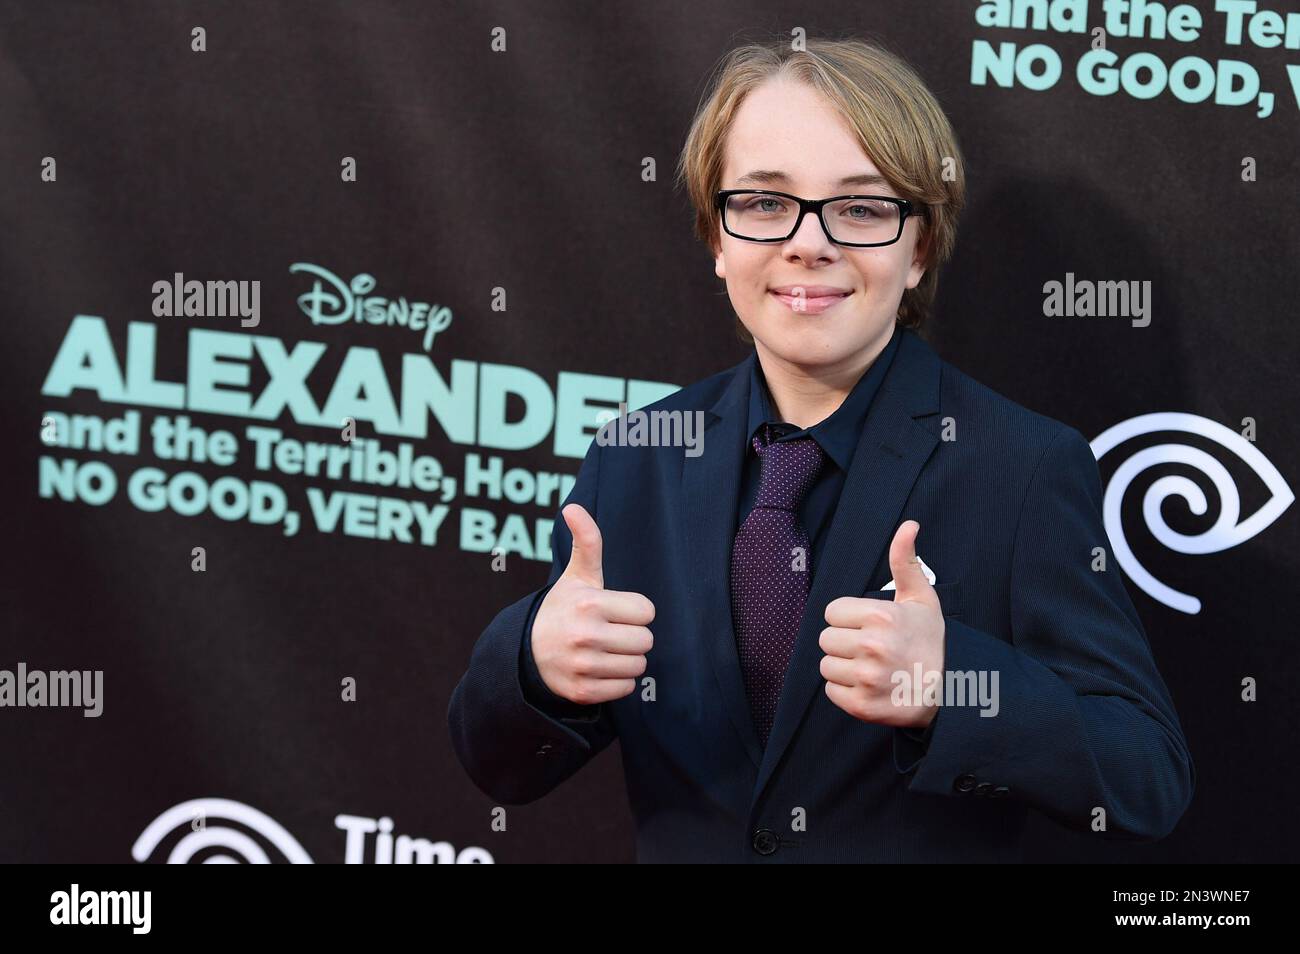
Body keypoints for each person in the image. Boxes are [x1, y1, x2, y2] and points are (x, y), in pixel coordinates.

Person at [447, 35, 1194, 862]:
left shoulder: (1021, 467)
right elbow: (502, 769)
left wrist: (956, 687)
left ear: (918, 249)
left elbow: (1146, 777)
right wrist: (533, 664)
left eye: (862, 208)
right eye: (766, 204)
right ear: (717, 238)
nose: (810, 242)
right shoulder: (637, 455)